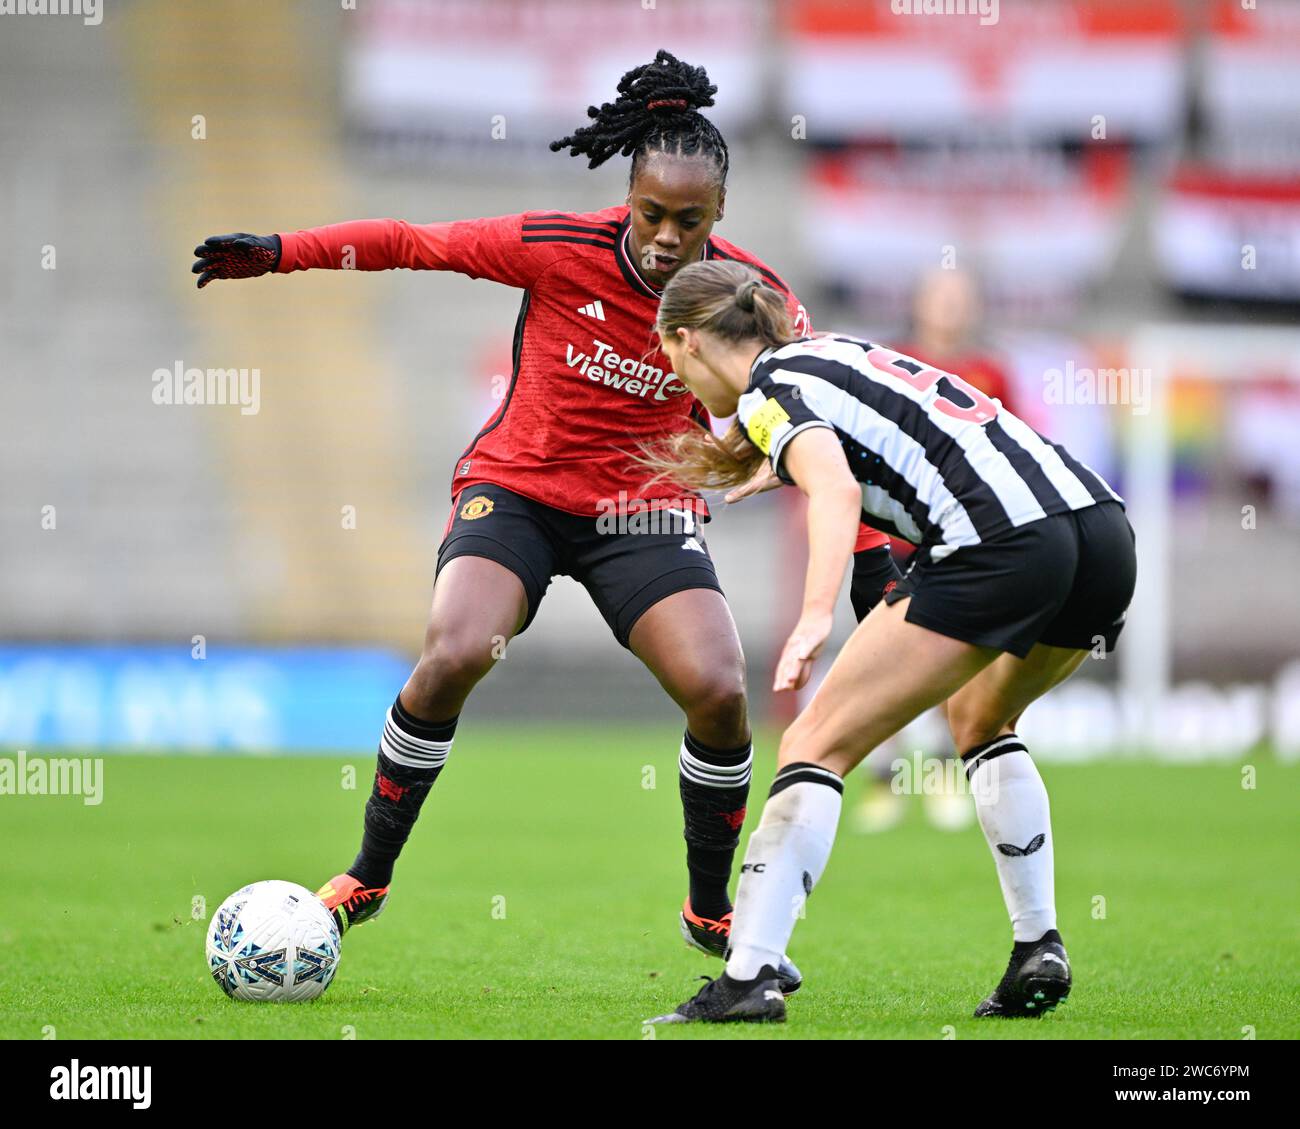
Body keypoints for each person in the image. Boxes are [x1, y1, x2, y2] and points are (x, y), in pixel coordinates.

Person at [189, 50, 894, 991]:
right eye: (651, 214)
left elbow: (835, 414)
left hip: (641, 512)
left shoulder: (751, 300)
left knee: (721, 690)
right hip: (516, 489)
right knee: (456, 648)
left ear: (718, 216)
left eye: (690, 221)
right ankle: (368, 873)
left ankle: (707, 906)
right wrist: (282, 251)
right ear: (629, 195)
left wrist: (874, 548)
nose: (665, 239)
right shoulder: (557, 244)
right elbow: (410, 239)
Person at [636, 260, 1136, 1023]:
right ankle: (1038, 944)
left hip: (1000, 543)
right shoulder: (829, 351)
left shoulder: (770, 388)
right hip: (1098, 531)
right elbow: (881, 443)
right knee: (979, 720)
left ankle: (748, 977)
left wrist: (813, 617)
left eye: (670, 357)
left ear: (688, 340)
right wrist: (792, 464)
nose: (678, 379)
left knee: (813, 740)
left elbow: (837, 490)